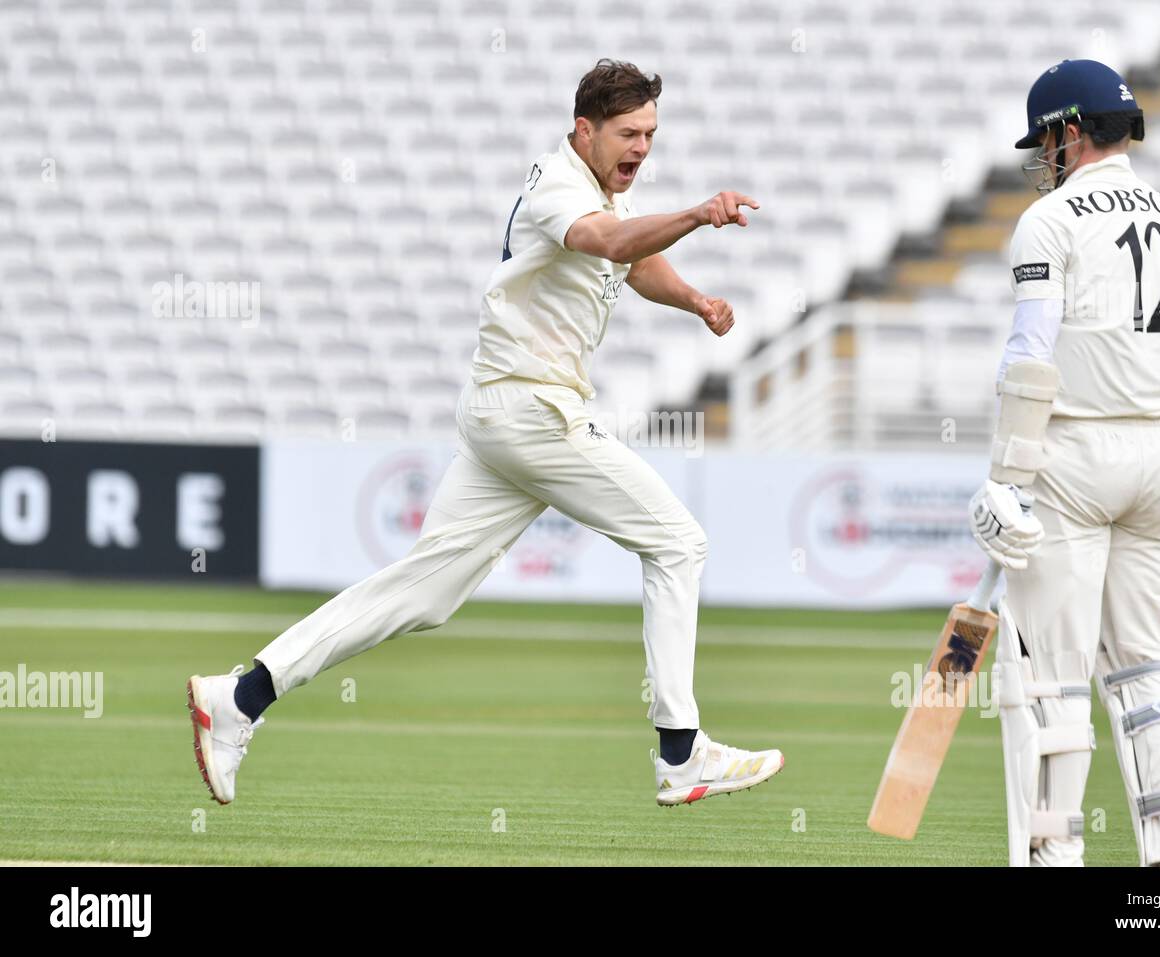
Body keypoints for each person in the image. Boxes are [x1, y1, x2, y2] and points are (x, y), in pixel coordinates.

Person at [187, 59, 783, 809]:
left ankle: (240, 696)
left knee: (427, 592)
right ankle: (680, 752)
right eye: (628, 133)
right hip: (533, 411)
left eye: (652, 134)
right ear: (584, 130)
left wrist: (694, 298)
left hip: (503, 413)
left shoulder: (601, 185)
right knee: (677, 541)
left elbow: (631, 260)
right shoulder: (562, 192)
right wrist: (699, 215)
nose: (641, 148)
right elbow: (606, 241)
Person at [968, 59, 1160, 866]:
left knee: (1054, 677)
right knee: (1152, 668)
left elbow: (1030, 357)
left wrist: (1007, 482)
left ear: (1071, 131)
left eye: (1046, 138)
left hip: (1074, 457)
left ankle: (1054, 855)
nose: (1042, 155)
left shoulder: (1052, 220)